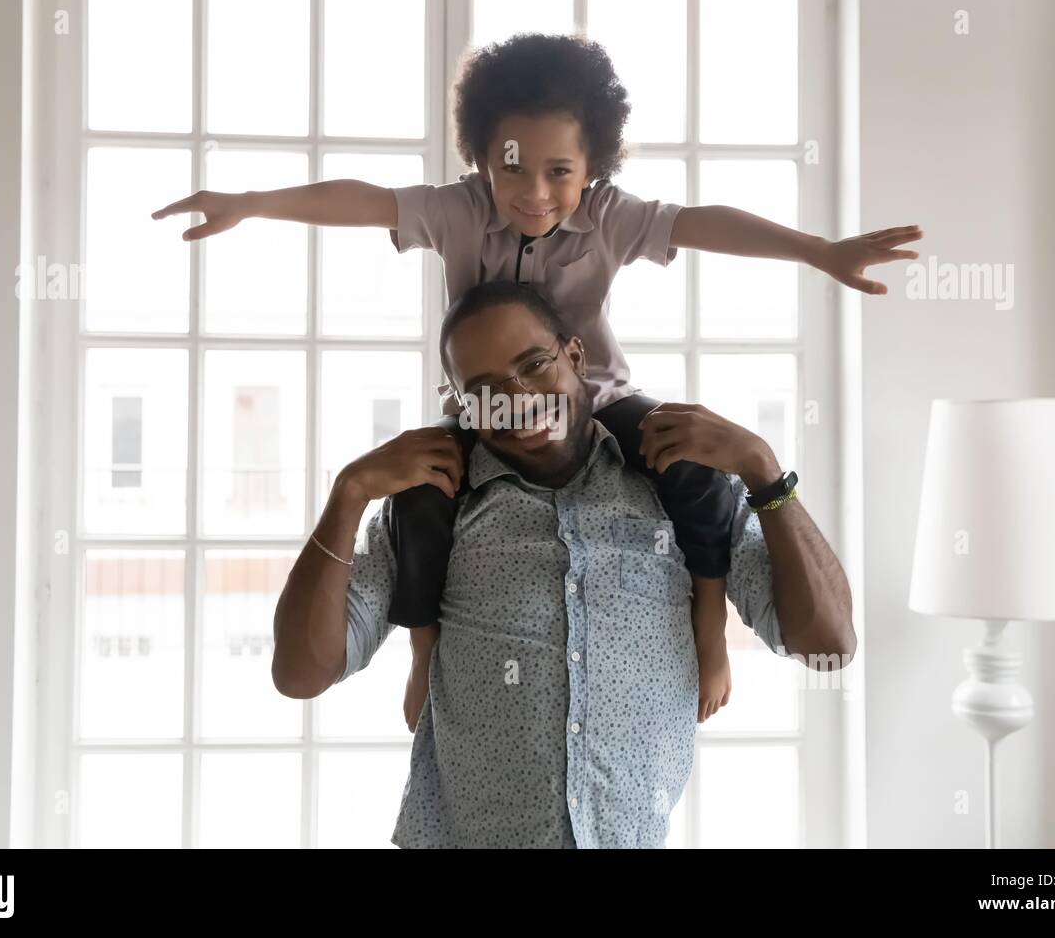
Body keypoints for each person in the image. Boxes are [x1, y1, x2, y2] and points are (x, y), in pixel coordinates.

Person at [155, 33, 912, 728]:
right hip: (478, 407)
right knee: (424, 498)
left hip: (601, 400)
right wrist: (252, 204)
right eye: (511, 166)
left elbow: (706, 223)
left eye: (560, 172)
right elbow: (361, 200)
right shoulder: (456, 211)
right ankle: (424, 654)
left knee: (688, 469)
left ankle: (708, 629)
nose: (534, 193)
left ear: (594, 170)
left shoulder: (612, 218)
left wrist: (818, 251)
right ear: (482, 155)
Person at [270, 281, 855, 848]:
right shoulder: (434, 508)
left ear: (575, 354)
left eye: (534, 366)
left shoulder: (678, 489)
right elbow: (301, 673)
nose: (519, 401)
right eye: (486, 390)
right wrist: (348, 492)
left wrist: (763, 471)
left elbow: (827, 642)